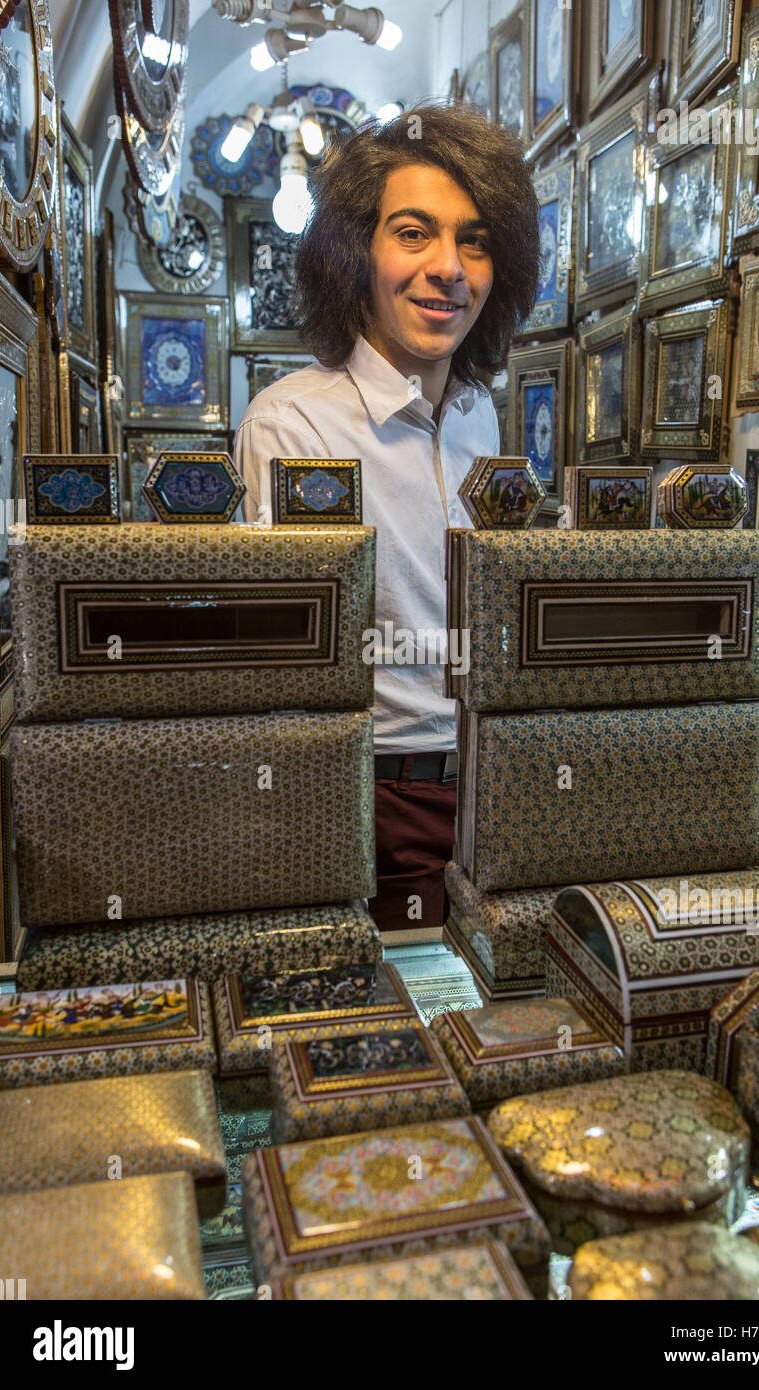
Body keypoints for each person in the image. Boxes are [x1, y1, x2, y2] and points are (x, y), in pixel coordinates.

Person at [235, 103, 540, 932]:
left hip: (500, 782)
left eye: (474, 241)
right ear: (355, 254)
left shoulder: (481, 415)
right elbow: (280, 667)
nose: (449, 267)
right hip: (369, 793)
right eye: (414, 233)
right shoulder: (292, 425)